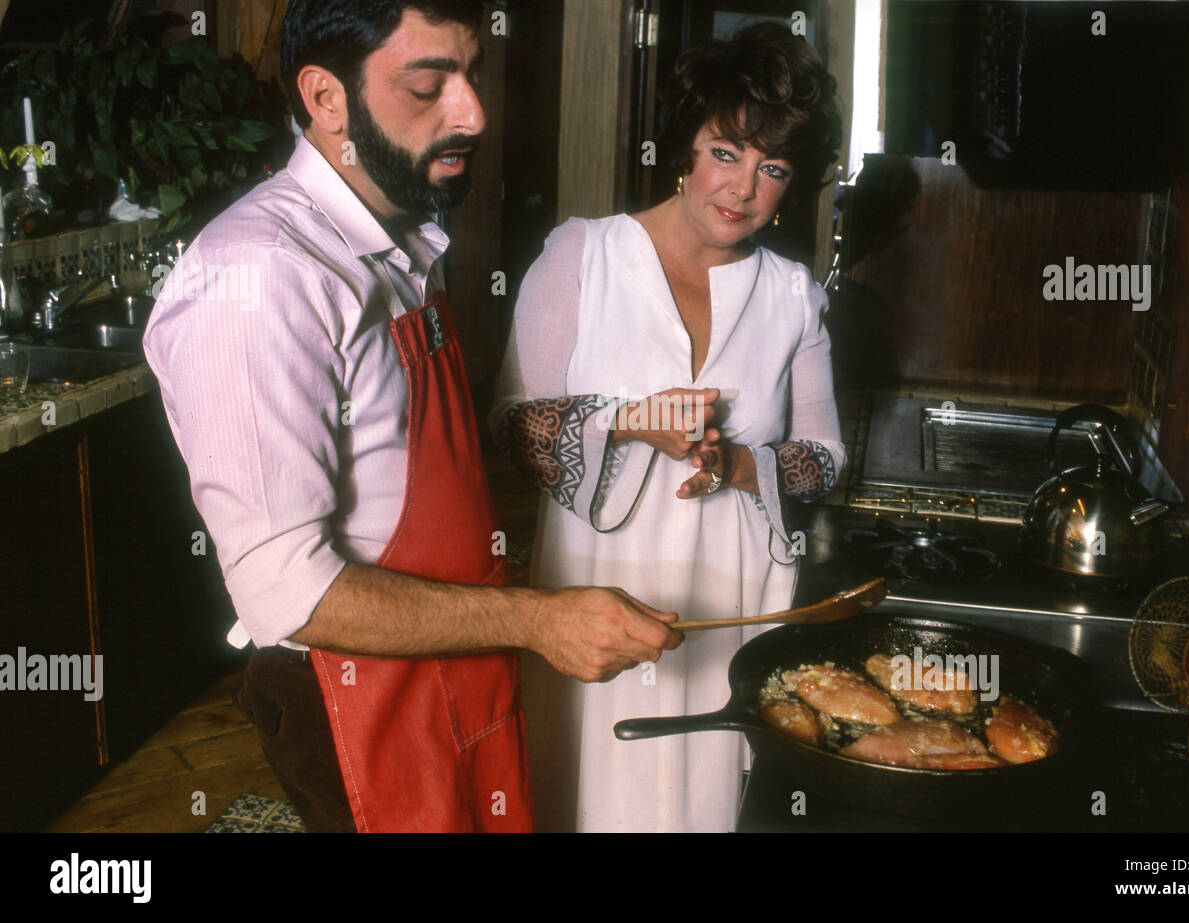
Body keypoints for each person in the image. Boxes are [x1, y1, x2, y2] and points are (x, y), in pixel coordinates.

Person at [142, 0, 681, 834]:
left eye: (471, 77)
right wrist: (540, 618)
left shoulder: (396, 244)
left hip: (450, 654)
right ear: (326, 98)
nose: (473, 114)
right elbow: (289, 591)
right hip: (356, 693)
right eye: (428, 86)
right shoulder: (258, 278)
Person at [492, 21, 845, 832]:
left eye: (773, 169)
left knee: (697, 804)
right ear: (685, 148)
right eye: (726, 152)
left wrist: (741, 466)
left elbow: (825, 458)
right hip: (593, 590)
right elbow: (512, 429)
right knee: (584, 793)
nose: (742, 188)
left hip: (726, 599)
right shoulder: (581, 256)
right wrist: (627, 424)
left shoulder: (794, 296)